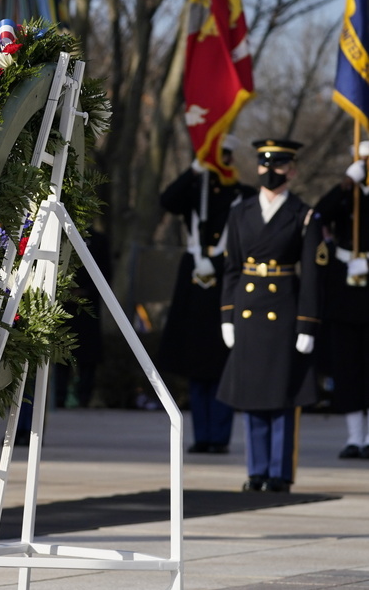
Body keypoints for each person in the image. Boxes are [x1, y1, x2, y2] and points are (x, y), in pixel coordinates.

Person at [217, 138, 322, 493]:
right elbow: (232, 269)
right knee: (252, 394)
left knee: (282, 396)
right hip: (248, 312)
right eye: (264, 164)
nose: (269, 171)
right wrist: (227, 316)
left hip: (284, 311)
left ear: (291, 170)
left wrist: (307, 323)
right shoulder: (240, 211)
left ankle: (279, 473)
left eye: (277, 165)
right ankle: (256, 470)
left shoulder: (304, 215)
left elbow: (311, 275)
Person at [158, 138, 255, 453]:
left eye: (222, 158)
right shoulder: (194, 191)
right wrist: (193, 169)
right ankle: (202, 435)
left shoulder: (241, 195)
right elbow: (168, 201)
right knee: (196, 364)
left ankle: (220, 436)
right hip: (194, 278)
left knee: (222, 363)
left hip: (227, 274)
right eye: (213, 158)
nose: (219, 164)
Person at [314, 139, 369, 459]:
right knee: (347, 366)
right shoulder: (346, 194)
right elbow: (319, 213)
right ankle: (354, 437)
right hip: (346, 289)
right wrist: (347, 184)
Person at [55, 228, 111, 409]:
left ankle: (84, 396)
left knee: (88, 355)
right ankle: (59, 396)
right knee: (61, 352)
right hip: (62, 305)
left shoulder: (99, 241)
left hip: (89, 307)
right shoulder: (58, 236)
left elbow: (105, 272)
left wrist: (86, 292)